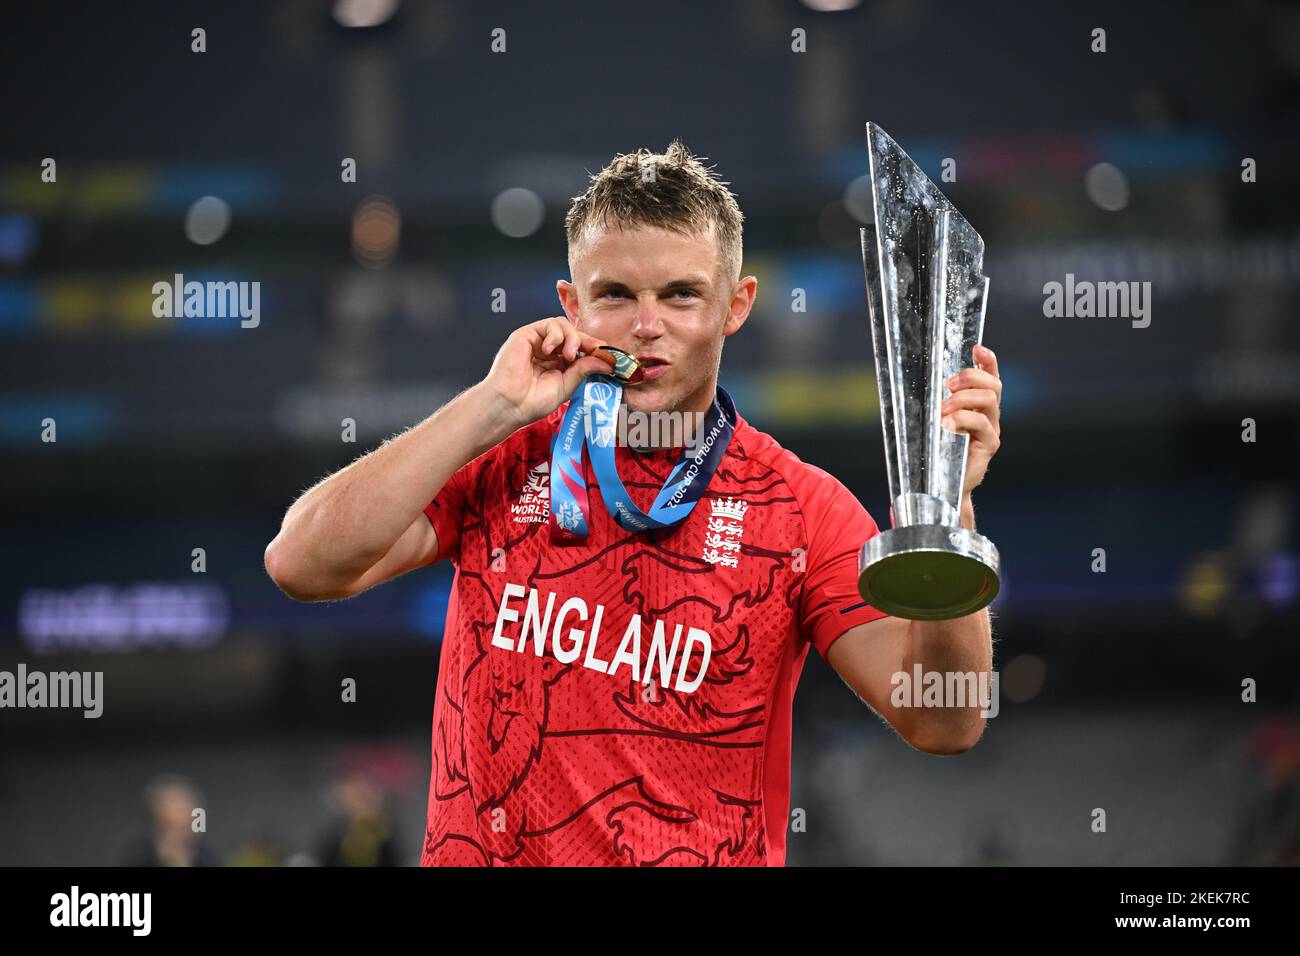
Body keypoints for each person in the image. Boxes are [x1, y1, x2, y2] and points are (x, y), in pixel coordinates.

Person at [264, 140, 1004, 866]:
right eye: (615, 294)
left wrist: (952, 507)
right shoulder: (499, 458)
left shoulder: (800, 508)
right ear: (571, 304)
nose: (646, 326)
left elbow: (946, 719)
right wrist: (492, 404)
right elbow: (302, 562)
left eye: (681, 294)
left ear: (736, 306)